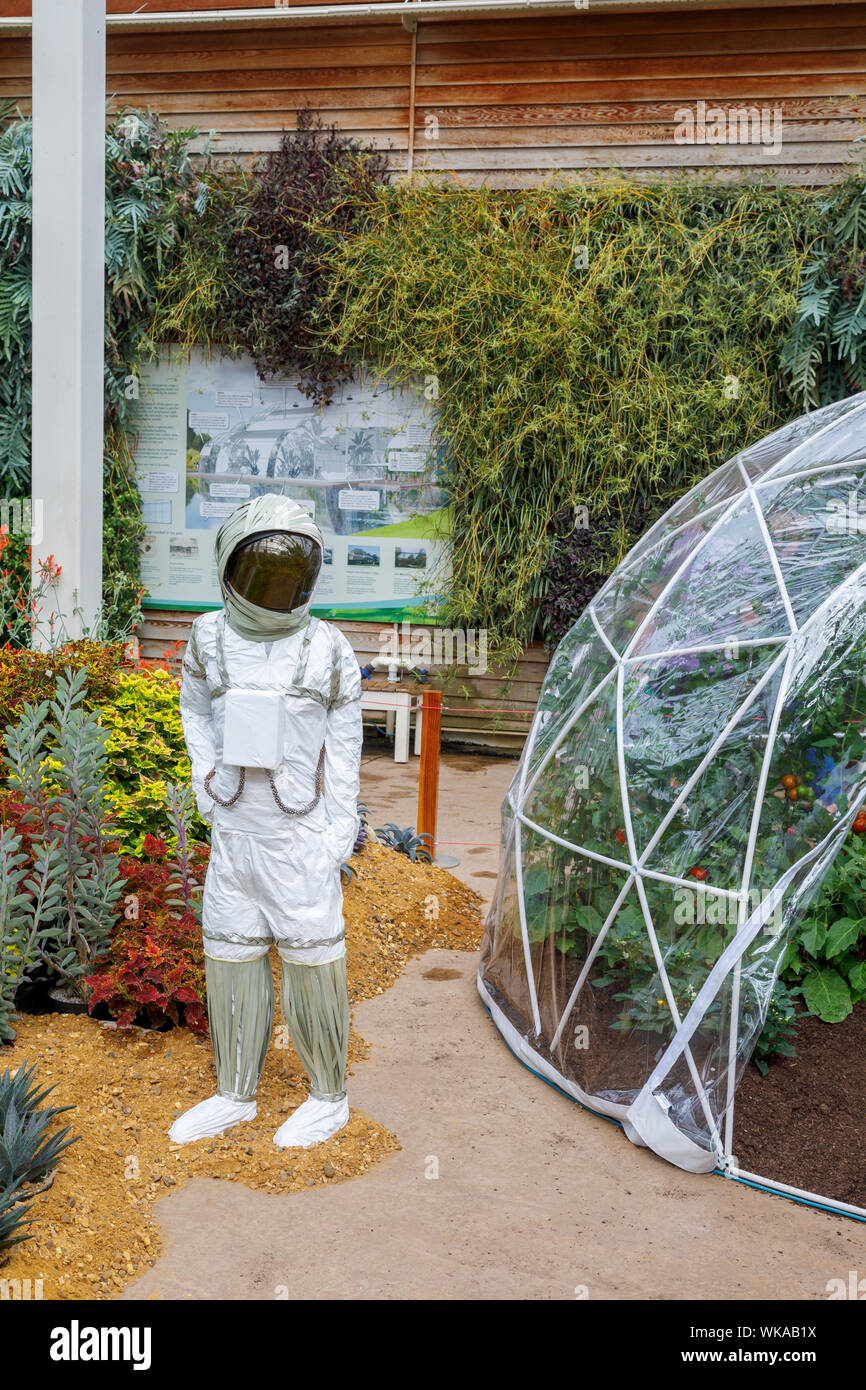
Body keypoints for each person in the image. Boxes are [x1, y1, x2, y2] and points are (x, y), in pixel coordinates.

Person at [169, 494, 362, 1148]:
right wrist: (206, 783)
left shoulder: (327, 647)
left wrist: (337, 832)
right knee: (230, 951)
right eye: (264, 571)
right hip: (234, 836)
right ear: (231, 565)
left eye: (291, 573)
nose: (278, 584)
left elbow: (347, 745)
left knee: (312, 958)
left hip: (298, 840)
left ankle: (328, 1096)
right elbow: (195, 710)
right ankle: (235, 1093)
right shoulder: (207, 637)